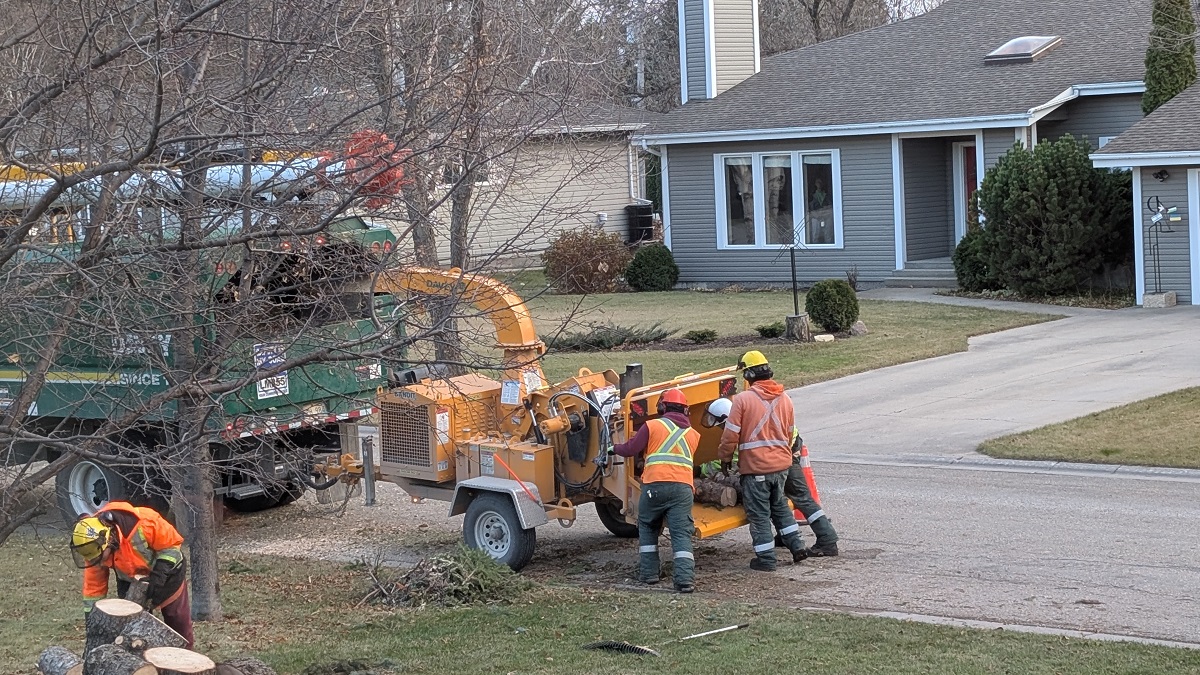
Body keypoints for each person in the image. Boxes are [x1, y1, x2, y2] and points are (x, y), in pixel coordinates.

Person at [704, 398, 840, 557]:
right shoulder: (755, 411)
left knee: (796, 497)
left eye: (721, 425)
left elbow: (734, 459)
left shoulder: (741, 429)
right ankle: (788, 536)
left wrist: (703, 469)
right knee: (781, 498)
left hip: (783, 457)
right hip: (786, 452)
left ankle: (827, 540)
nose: (721, 429)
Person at [718, 351, 808, 571]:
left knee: (758, 514)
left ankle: (766, 559)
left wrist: (725, 458)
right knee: (779, 507)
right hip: (781, 467)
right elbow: (789, 435)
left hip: (757, 468)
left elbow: (731, 435)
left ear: (749, 374)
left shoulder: (742, 400)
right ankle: (797, 546)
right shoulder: (785, 399)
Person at [612, 388, 700, 593]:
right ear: (686, 411)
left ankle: (649, 574)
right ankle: (685, 580)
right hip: (683, 489)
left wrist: (613, 449)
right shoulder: (694, 435)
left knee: (647, 525)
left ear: (661, 407)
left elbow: (630, 449)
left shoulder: (651, 425)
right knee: (681, 534)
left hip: (655, 486)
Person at [71, 502, 194, 648]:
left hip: (168, 572)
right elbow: (93, 589)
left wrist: (160, 574)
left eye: (98, 557)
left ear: (108, 539)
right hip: (129, 581)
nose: (95, 561)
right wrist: (92, 621)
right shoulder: (92, 547)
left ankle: (187, 657)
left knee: (177, 620)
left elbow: (172, 546)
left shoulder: (146, 521)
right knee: (132, 628)